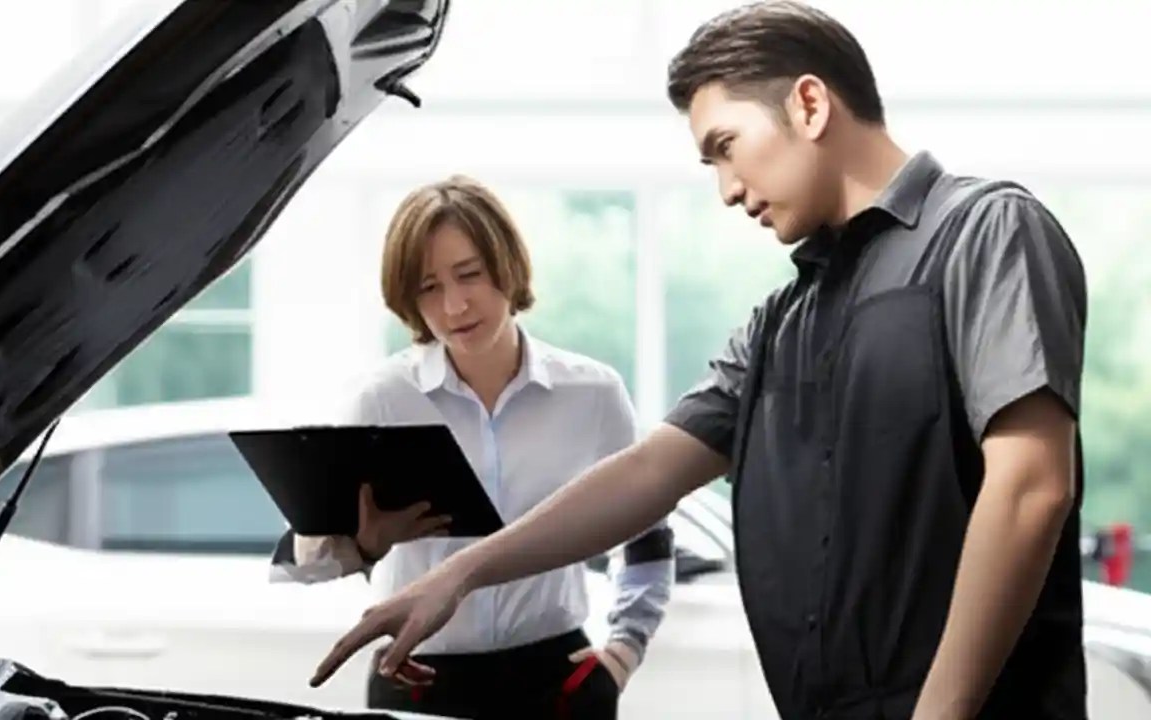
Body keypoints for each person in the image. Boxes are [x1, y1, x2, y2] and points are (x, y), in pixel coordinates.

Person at [308, 3, 1090, 719]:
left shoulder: (987, 234)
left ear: (810, 105)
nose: (724, 189)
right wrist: (459, 575)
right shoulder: (782, 319)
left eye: (726, 147)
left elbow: (1030, 486)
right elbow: (649, 472)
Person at [271, 174, 676, 719]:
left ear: (506, 265)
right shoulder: (382, 400)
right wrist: (361, 547)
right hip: (419, 680)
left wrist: (624, 651)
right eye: (428, 287)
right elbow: (299, 564)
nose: (455, 305)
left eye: (469, 275)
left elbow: (648, 540)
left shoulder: (592, 393)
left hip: (558, 678)